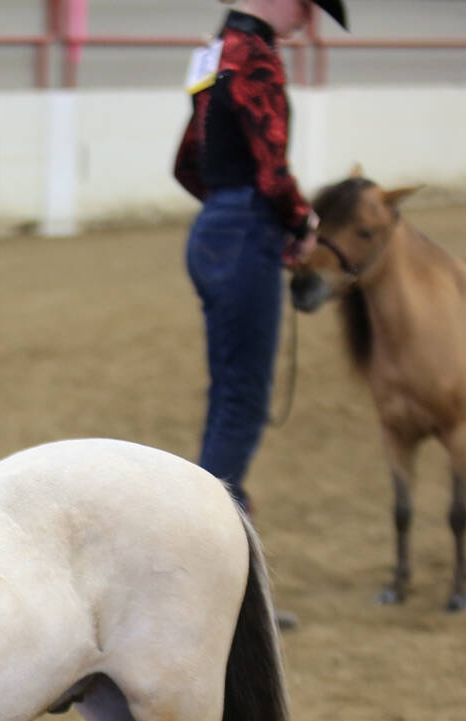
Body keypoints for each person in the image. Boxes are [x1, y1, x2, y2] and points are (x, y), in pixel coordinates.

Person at [173, 0, 350, 513]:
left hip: (213, 230)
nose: (307, 19)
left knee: (227, 389)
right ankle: (214, 519)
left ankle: (210, 503)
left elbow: (187, 161)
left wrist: (226, 208)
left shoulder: (215, 53)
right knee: (245, 396)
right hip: (246, 233)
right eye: (306, 6)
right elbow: (272, 170)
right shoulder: (256, 58)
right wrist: (300, 222)